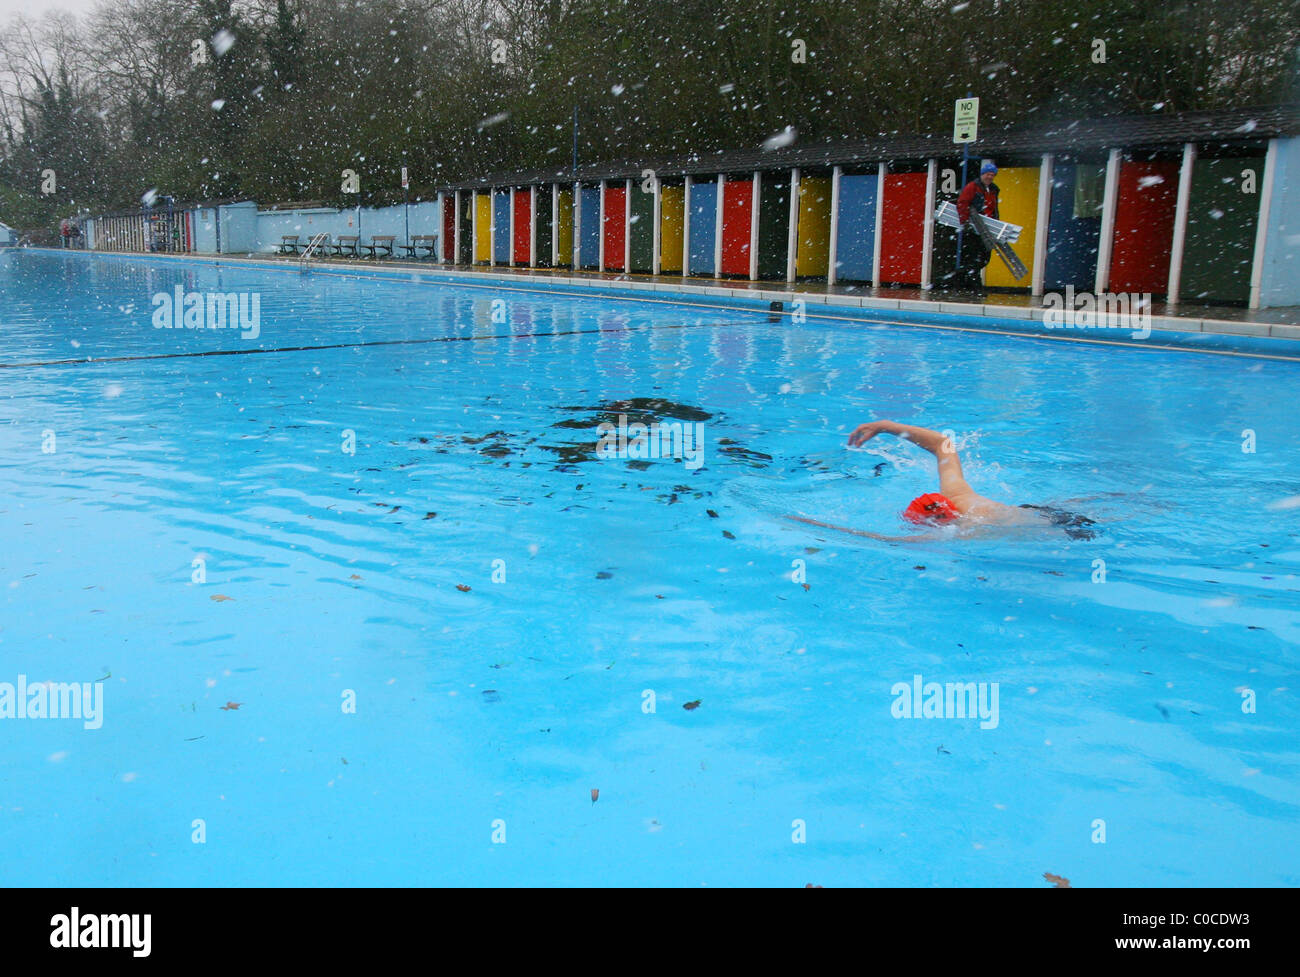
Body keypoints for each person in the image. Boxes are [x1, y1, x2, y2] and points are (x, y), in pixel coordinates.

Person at [788, 419, 1096, 541]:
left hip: (1067, 528)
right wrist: (884, 425)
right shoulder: (958, 495)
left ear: (939, 520)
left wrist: (816, 525)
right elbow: (942, 444)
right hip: (1039, 512)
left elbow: (890, 542)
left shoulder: (963, 526)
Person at [955, 161, 1000, 287]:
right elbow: (962, 203)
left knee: (985, 257)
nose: (990, 177)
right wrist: (965, 222)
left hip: (988, 227)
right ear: (982, 174)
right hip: (975, 226)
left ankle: (970, 281)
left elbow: (994, 207)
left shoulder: (994, 189)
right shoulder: (973, 187)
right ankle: (973, 284)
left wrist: (996, 221)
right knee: (975, 256)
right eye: (988, 174)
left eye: (992, 175)